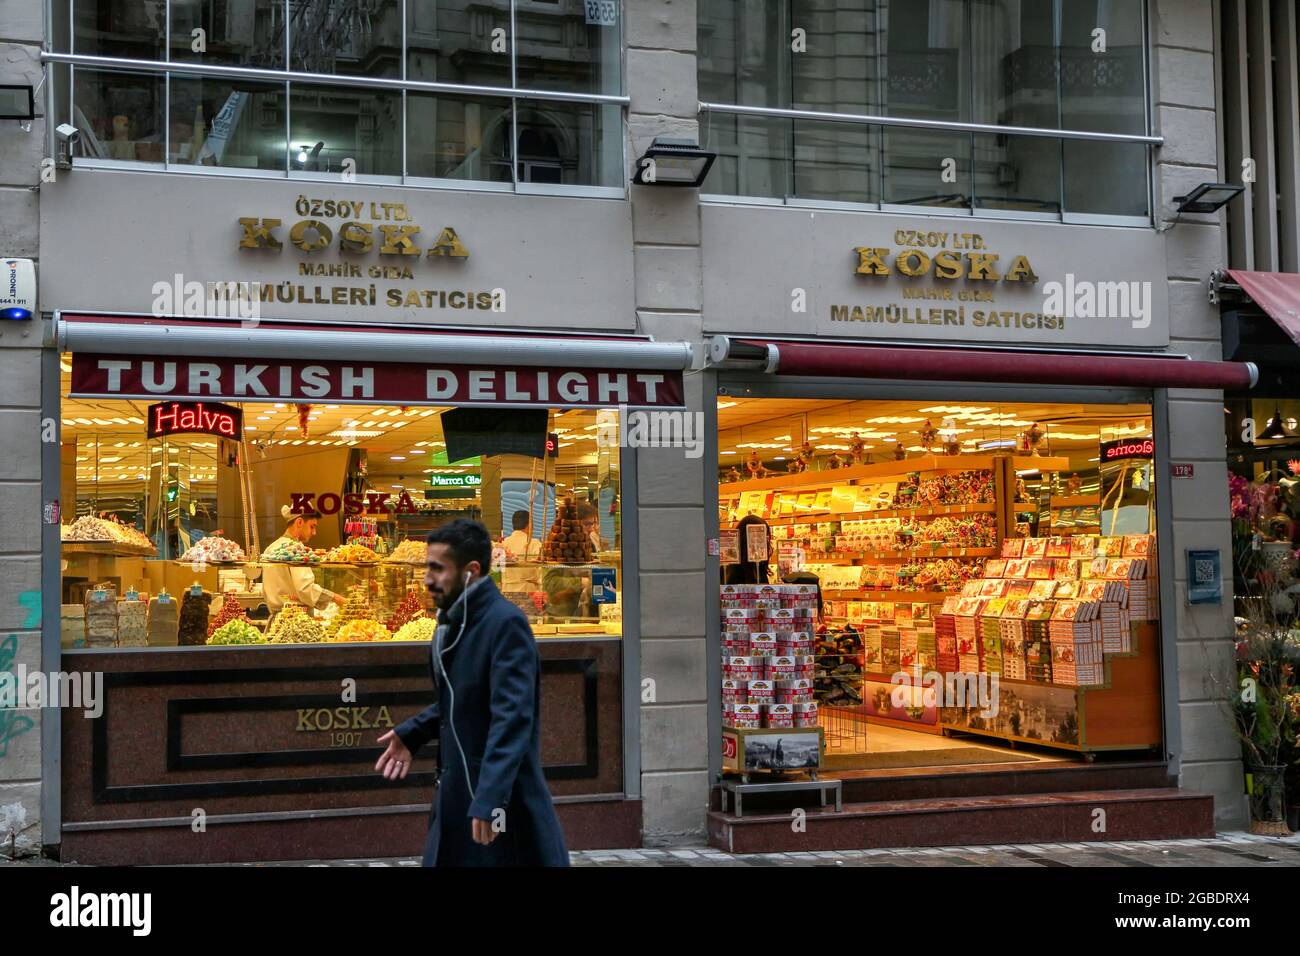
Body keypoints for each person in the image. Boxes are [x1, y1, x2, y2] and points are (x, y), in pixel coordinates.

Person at [374, 519, 568, 867]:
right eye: (426, 567)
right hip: (458, 794)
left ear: (471, 571)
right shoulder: (452, 622)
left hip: (497, 803)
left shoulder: (504, 623)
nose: (427, 579)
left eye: (437, 568)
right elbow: (464, 697)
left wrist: (490, 798)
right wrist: (413, 732)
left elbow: (512, 717)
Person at [261, 505, 345, 613]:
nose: (314, 532)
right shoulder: (296, 550)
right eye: (312, 526)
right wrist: (335, 598)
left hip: (276, 618)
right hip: (294, 620)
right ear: (299, 522)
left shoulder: (271, 547)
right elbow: (305, 589)